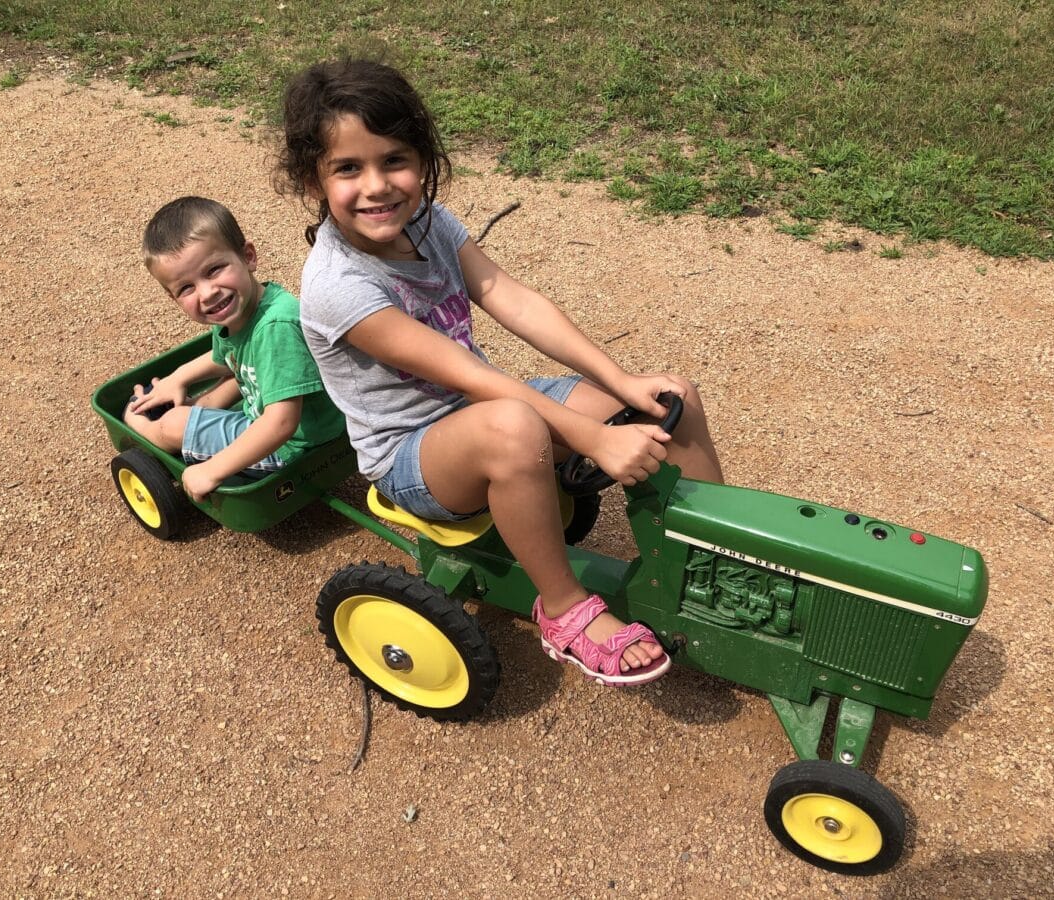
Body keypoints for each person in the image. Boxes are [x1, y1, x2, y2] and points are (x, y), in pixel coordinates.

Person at [274, 59, 725, 686]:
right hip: (413, 456)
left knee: (670, 396)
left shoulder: (428, 221)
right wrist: (592, 437)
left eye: (394, 160)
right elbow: (467, 375)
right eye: (348, 168)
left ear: (423, 159)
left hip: (489, 413)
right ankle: (564, 610)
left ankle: (717, 563)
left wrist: (623, 384)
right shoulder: (338, 287)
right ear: (312, 179)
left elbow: (512, 298)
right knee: (512, 424)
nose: (377, 185)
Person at [125, 196, 345, 502]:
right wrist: (179, 378)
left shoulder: (275, 325)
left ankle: (142, 431)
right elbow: (228, 359)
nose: (207, 293)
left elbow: (282, 422)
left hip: (294, 445)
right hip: (282, 424)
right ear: (173, 298)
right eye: (186, 288)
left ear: (249, 256)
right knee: (231, 376)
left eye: (214, 270)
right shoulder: (242, 309)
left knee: (176, 423)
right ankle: (190, 414)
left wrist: (212, 470)